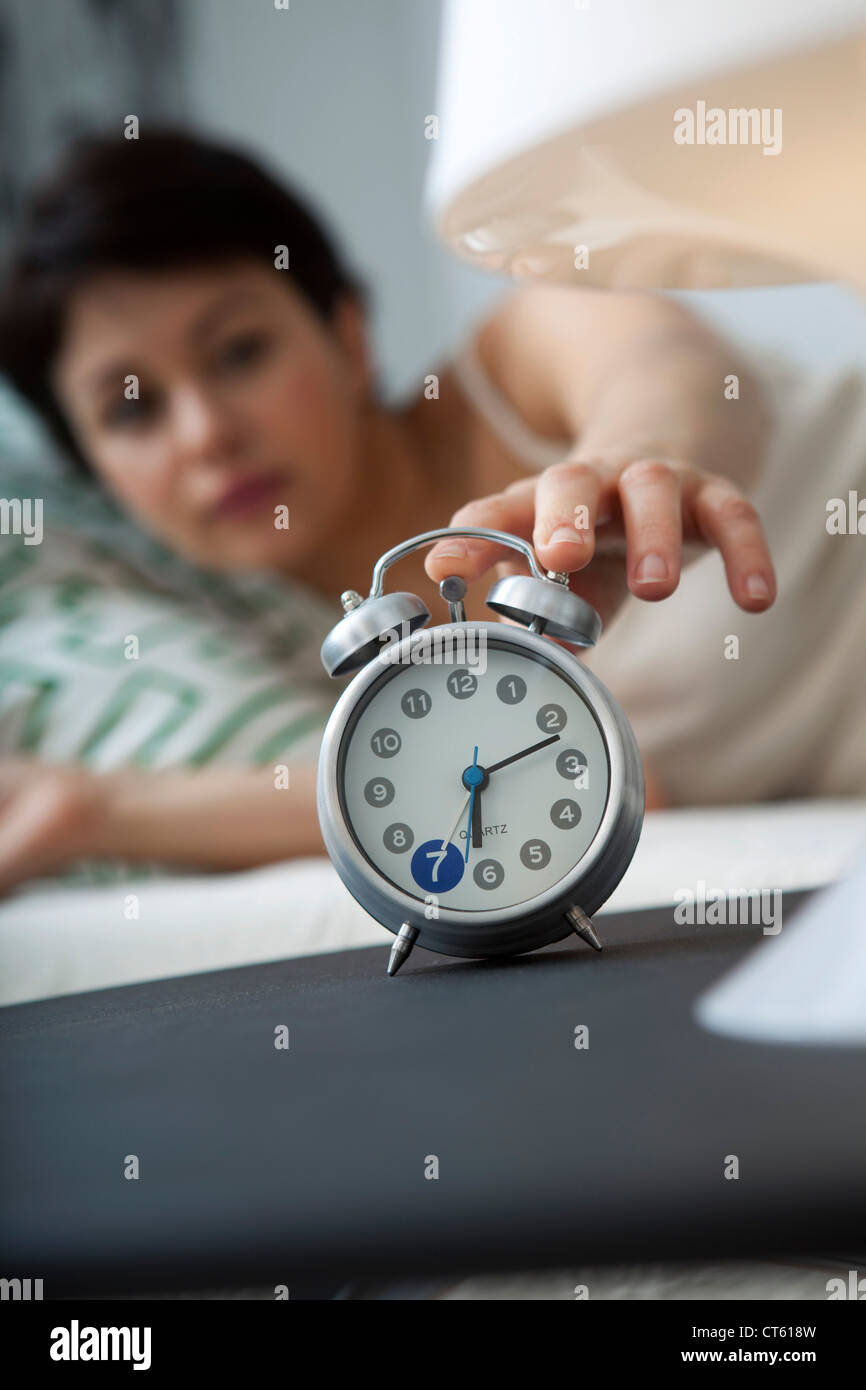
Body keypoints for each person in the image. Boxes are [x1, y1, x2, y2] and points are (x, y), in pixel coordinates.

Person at [0, 129, 778, 892]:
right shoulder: (287, 653)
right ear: (95, 472)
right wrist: (90, 811)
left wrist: (632, 461)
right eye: (132, 411)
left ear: (349, 336)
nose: (207, 434)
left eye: (238, 352)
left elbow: (668, 367)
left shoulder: (512, 369)